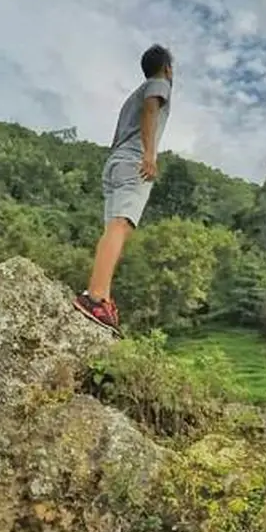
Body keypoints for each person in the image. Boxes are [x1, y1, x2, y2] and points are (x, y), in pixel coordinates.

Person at [73, 44, 174, 335]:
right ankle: (95, 297)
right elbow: (151, 108)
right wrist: (149, 154)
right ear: (167, 68)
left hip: (115, 162)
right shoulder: (159, 84)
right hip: (133, 161)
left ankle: (101, 295)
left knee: (113, 229)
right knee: (120, 225)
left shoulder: (130, 97)